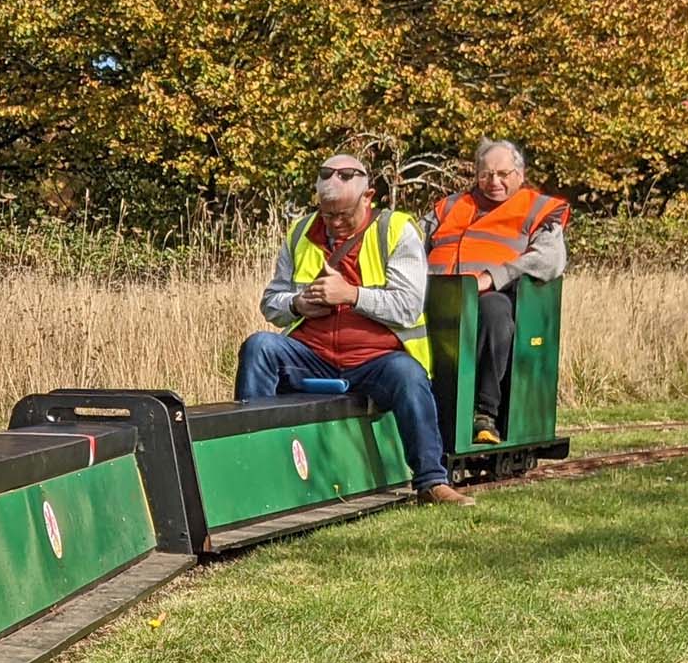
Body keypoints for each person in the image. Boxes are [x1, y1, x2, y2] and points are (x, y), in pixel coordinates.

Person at [236, 152, 470, 506]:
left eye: (344, 214)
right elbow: (271, 301)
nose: (335, 223)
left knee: (408, 375)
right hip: (312, 355)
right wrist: (298, 304)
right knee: (260, 347)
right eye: (327, 214)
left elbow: (407, 307)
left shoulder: (397, 230)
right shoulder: (300, 232)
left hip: (377, 359)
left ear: (368, 197)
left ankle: (431, 481)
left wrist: (352, 295)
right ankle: (254, 464)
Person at [425, 139, 570, 444]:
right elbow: (411, 244)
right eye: (486, 174)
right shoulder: (448, 206)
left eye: (503, 174)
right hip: (434, 297)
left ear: (519, 174)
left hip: (488, 297)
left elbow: (550, 260)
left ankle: (484, 414)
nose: (494, 182)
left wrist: (493, 277)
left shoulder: (539, 209)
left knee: (495, 312)